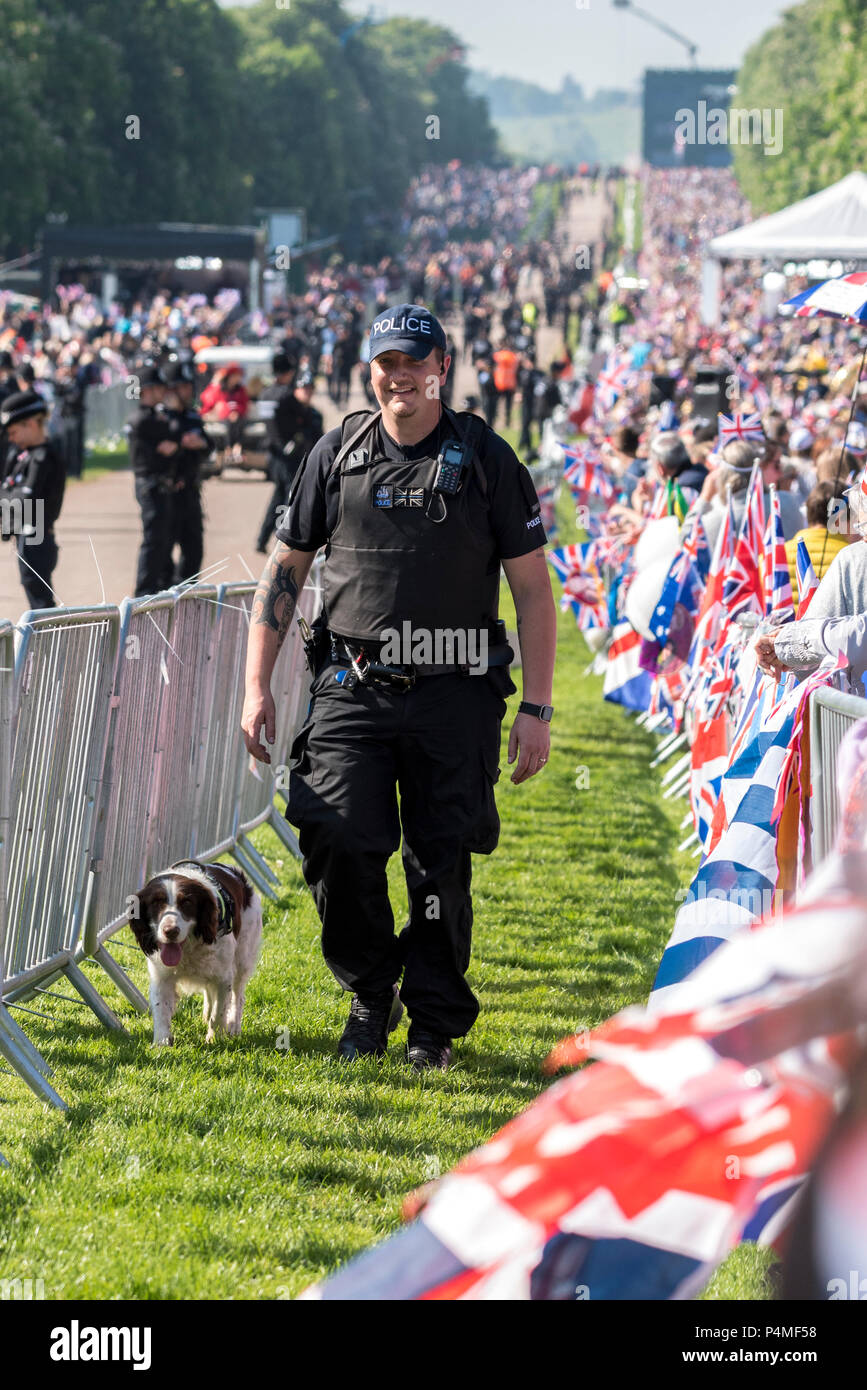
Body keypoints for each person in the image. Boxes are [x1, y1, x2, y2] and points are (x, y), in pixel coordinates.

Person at [241, 303, 557, 1071]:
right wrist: (257, 684)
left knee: (438, 859)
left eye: (414, 361)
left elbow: (533, 592)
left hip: (455, 690)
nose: (399, 375)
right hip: (351, 685)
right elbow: (284, 573)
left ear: (441, 368)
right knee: (336, 834)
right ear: (370, 370)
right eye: (386, 362)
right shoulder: (336, 452)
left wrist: (537, 708)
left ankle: (433, 1025)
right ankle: (369, 991)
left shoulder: (484, 456)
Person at [0, 389, 66, 611]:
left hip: (37, 534)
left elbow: (26, 497)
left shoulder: (44, 456)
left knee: (38, 592)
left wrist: (8, 499)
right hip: (24, 532)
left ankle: (48, 640)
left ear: (31, 424)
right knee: (31, 586)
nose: (11, 438)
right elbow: (7, 489)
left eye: (14, 431)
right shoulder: (19, 454)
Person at [255, 360, 324, 554]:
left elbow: (320, 442)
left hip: (303, 465)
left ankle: (265, 539)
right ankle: (279, 540)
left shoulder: (314, 414)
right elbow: (276, 432)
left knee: (282, 499)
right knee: (287, 500)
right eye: (304, 388)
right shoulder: (288, 406)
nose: (307, 393)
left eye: (311, 389)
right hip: (285, 462)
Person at [127, 362, 182, 598]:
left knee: (162, 539)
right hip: (150, 484)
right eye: (158, 388)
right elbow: (167, 444)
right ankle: (144, 591)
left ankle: (159, 585)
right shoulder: (143, 419)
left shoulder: (154, 417)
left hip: (159, 484)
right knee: (153, 540)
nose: (163, 392)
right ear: (147, 390)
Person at [161, 357, 212, 586]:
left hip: (190, 493)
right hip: (166, 495)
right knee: (161, 552)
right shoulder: (159, 417)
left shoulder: (192, 415)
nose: (189, 390)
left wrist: (200, 444)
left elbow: (209, 444)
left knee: (194, 550)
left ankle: (184, 593)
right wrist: (181, 442)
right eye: (184, 386)